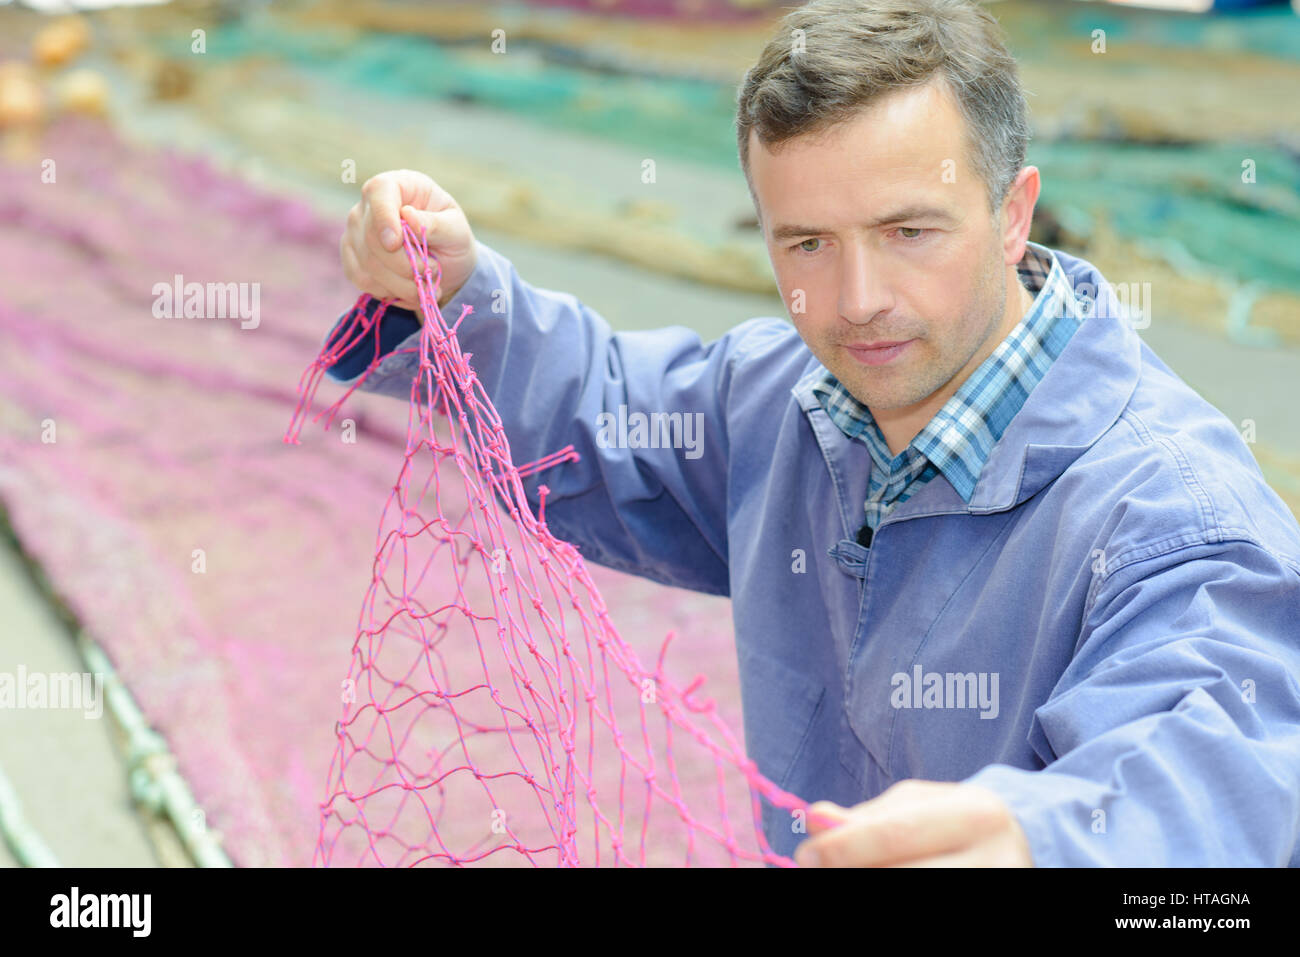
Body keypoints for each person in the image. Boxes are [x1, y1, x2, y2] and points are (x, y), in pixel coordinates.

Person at [322, 0, 1300, 866]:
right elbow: (601, 416)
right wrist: (455, 293)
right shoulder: (778, 397)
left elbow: (1222, 770)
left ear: (1013, 214)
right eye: (807, 244)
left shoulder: (1174, 521)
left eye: (909, 231)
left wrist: (1038, 844)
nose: (858, 302)